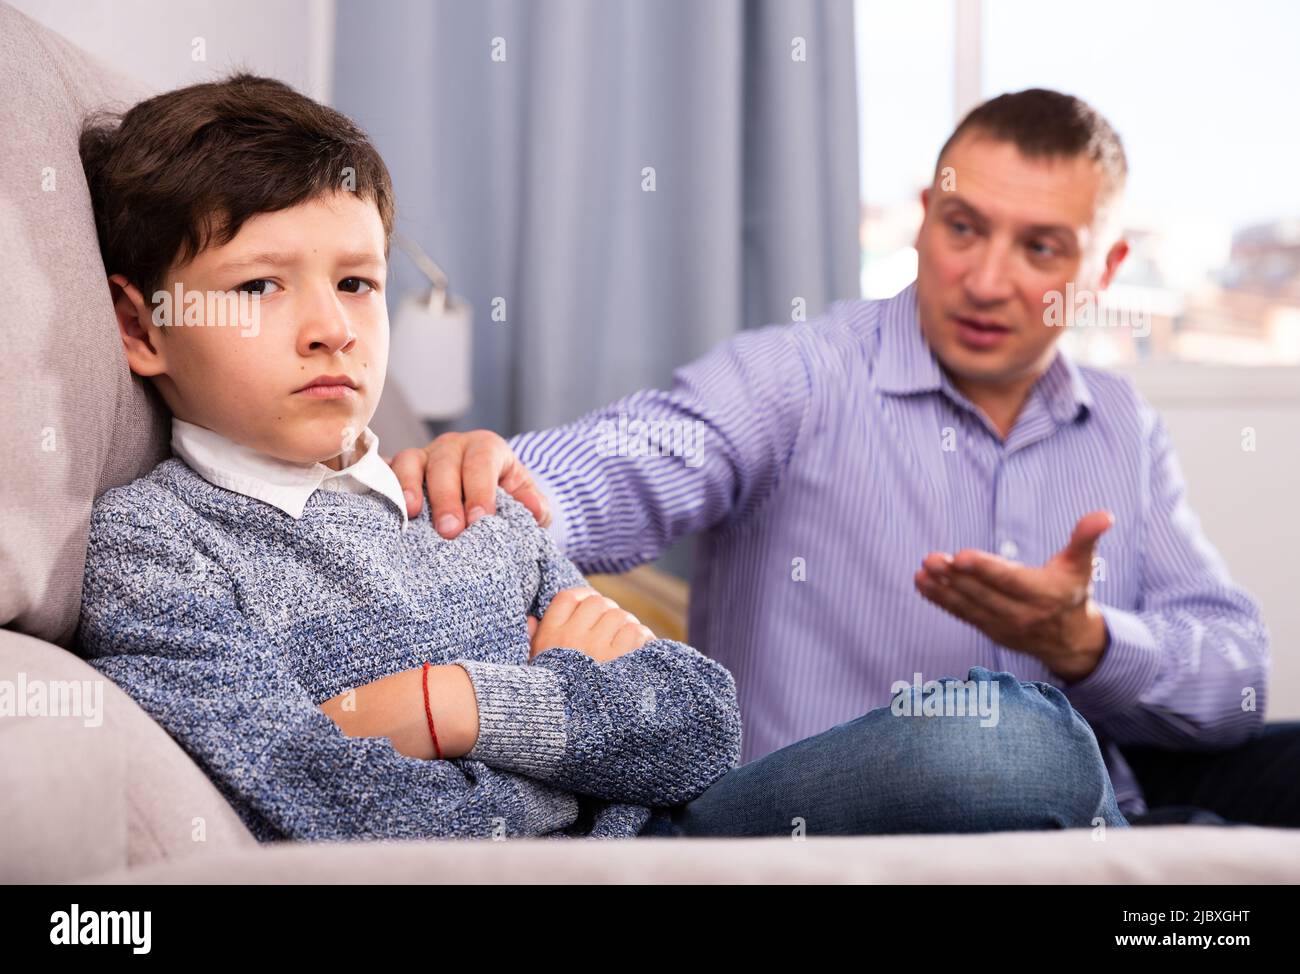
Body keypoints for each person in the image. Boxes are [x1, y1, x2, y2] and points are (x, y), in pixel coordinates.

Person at [74, 72, 1127, 841]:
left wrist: (451, 705)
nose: (332, 328)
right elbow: (314, 787)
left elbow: (702, 725)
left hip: (683, 833)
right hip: (585, 864)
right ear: (141, 327)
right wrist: (576, 719)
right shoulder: (156, 543)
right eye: (260, 287)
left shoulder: (469, 510)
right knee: (1014, 751)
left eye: (356, 282)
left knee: (1007, 730)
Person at [393, 88, 1298, 829]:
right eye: (964, 227)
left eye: (1040, 248)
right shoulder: (802, 373)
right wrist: (508, 481)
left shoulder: (1122, 428)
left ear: (1104, 270)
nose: (986, 279)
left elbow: (1235, 678)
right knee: (1008, 743)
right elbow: (640, 454)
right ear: (922, 222)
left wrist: (1087, 644)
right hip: (817, 821)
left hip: (1097, 822)